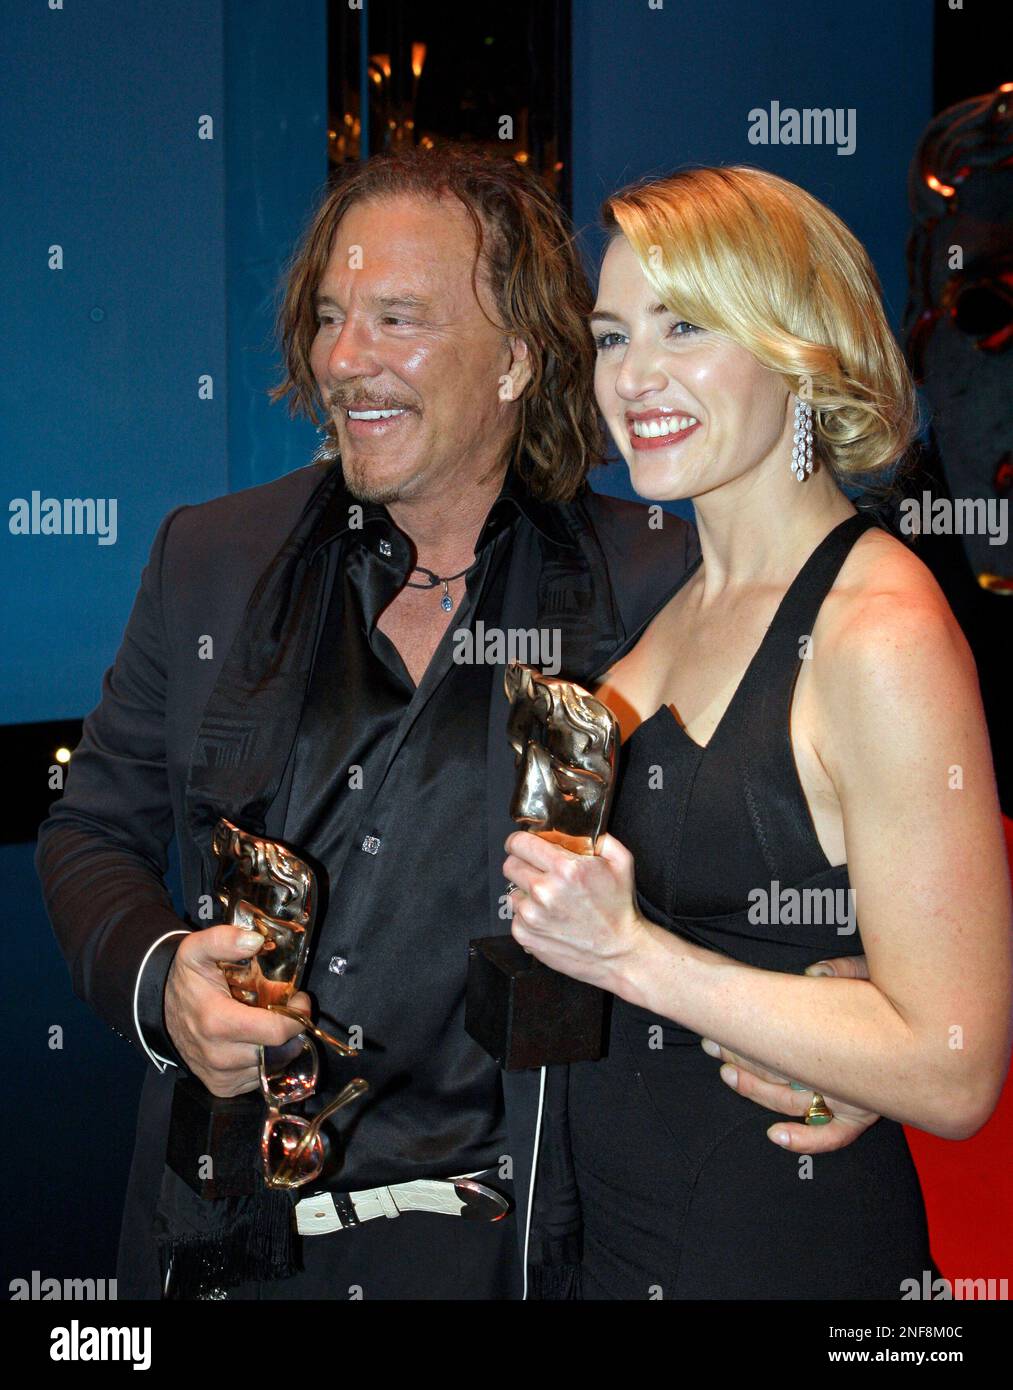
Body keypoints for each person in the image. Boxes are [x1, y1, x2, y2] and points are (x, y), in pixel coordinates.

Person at [36, 149, 870, 1302]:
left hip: (519, 1251)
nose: (342, 358)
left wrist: (848, 1028)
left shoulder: (662, 584)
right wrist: (162, 975)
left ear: (519, 359)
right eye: (330, 316)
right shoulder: (211, 559)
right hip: (226, 1240)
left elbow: (793, 872)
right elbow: (88, 834)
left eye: (396, 317)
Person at [504, 165, 1013, 1300]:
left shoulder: (875, 631)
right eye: (612, 335)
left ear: (795, 346)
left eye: (684, 326)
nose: (634, 377)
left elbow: (954, 1064)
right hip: (618, 1243)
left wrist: (633, 952)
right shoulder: (672, 602)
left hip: (780, 1255)